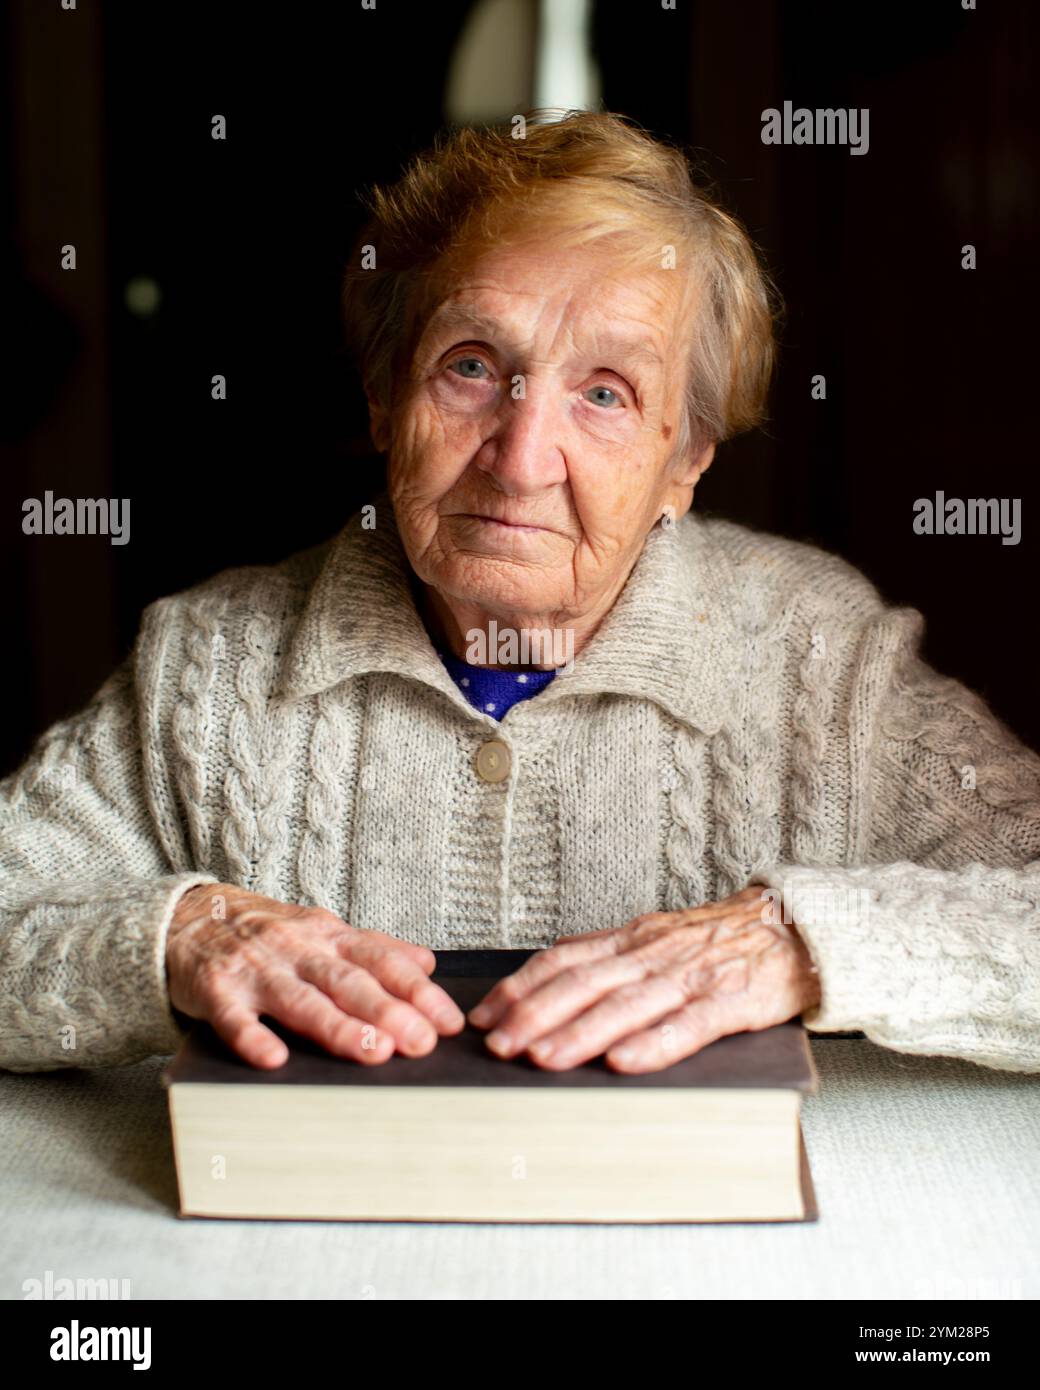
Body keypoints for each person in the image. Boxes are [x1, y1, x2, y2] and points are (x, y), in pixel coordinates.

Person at [3, 110, 1038, 1076]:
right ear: (381, 396)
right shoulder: (210, 664)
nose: (520, 457)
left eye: (603, 393)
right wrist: (177, 936)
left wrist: (801, 941)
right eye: (469, 366)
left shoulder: (825, 664)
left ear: (684, 461)